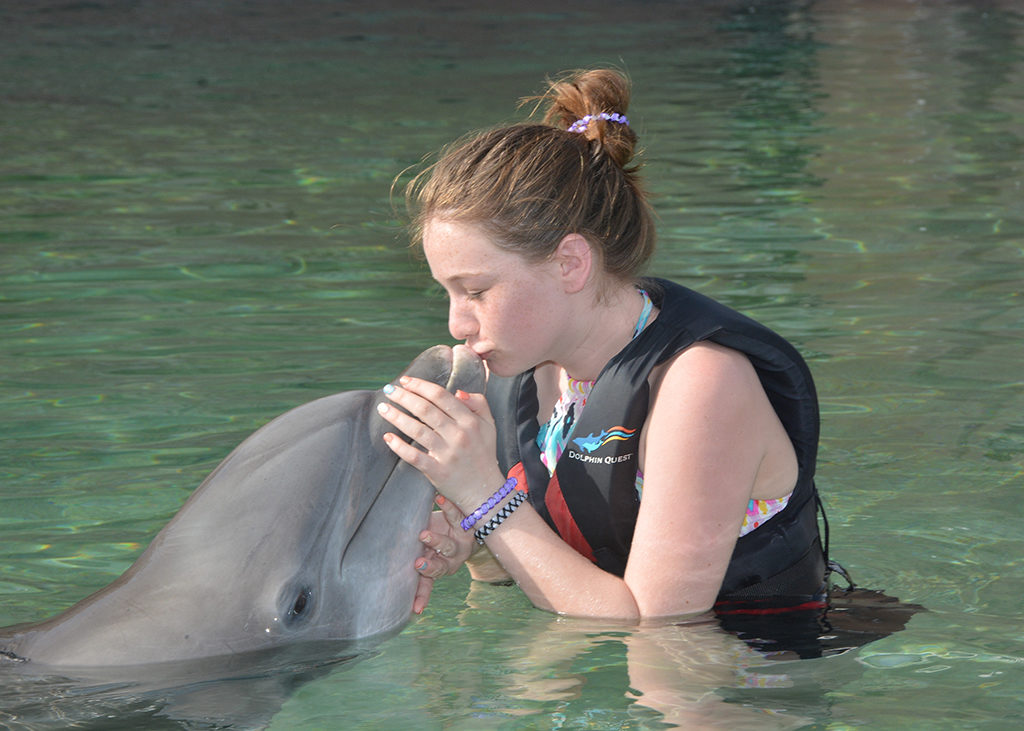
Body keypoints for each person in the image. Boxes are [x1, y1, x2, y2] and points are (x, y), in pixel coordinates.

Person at [376, 68, 829, 621]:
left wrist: (484, 498)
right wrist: (472, 542)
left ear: (570, 263)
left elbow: (653, 625)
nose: (456, 325)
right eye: (448, 292)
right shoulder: (523, 369)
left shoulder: (701, 386)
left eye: (476, 290)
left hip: (743, 671)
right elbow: (535, 563)